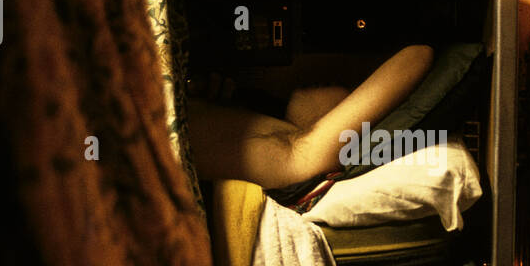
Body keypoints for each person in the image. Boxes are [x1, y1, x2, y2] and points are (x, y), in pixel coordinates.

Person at [186, 44, 435, 189]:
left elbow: (419, 54)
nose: (323, 82)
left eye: (351, 93)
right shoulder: (260, 121)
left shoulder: (297, 155)